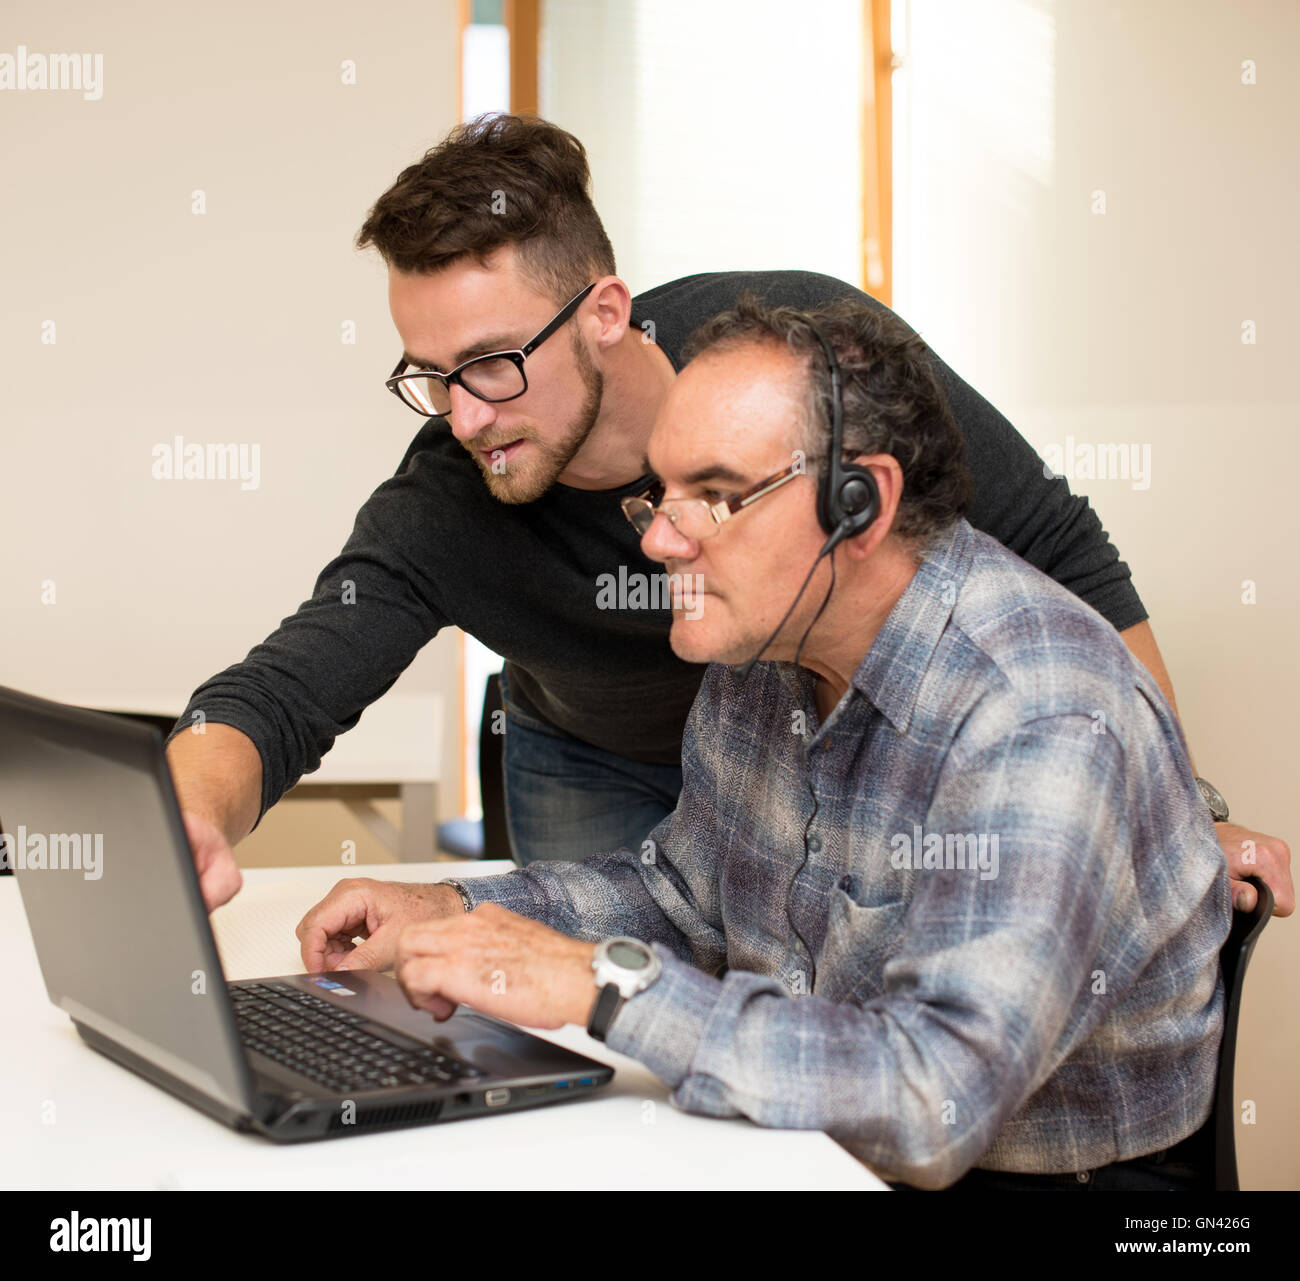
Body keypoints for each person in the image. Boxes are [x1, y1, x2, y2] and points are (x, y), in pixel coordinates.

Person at [163, 113, 1290, 918]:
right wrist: (195, 810)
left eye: (494, 363)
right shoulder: (446, 503)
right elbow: (282, 690)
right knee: (622, 1033)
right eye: (430, 374)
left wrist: (1177, 813)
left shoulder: (803, 358)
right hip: (587, 756)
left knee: (789, 1039)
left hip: (788, 748)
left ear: (606, 310)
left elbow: (1061, 551)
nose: (462, 414)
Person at [299, 296, 1228, 1189]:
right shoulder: (766, 648)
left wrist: (603, 986)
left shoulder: (1036, 712)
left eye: (712, 495)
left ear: (860, 503)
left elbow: (934, 1096)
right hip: (818, 1143)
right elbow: (686, 898)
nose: (660, 539)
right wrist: (453, 910)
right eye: (659, 494)